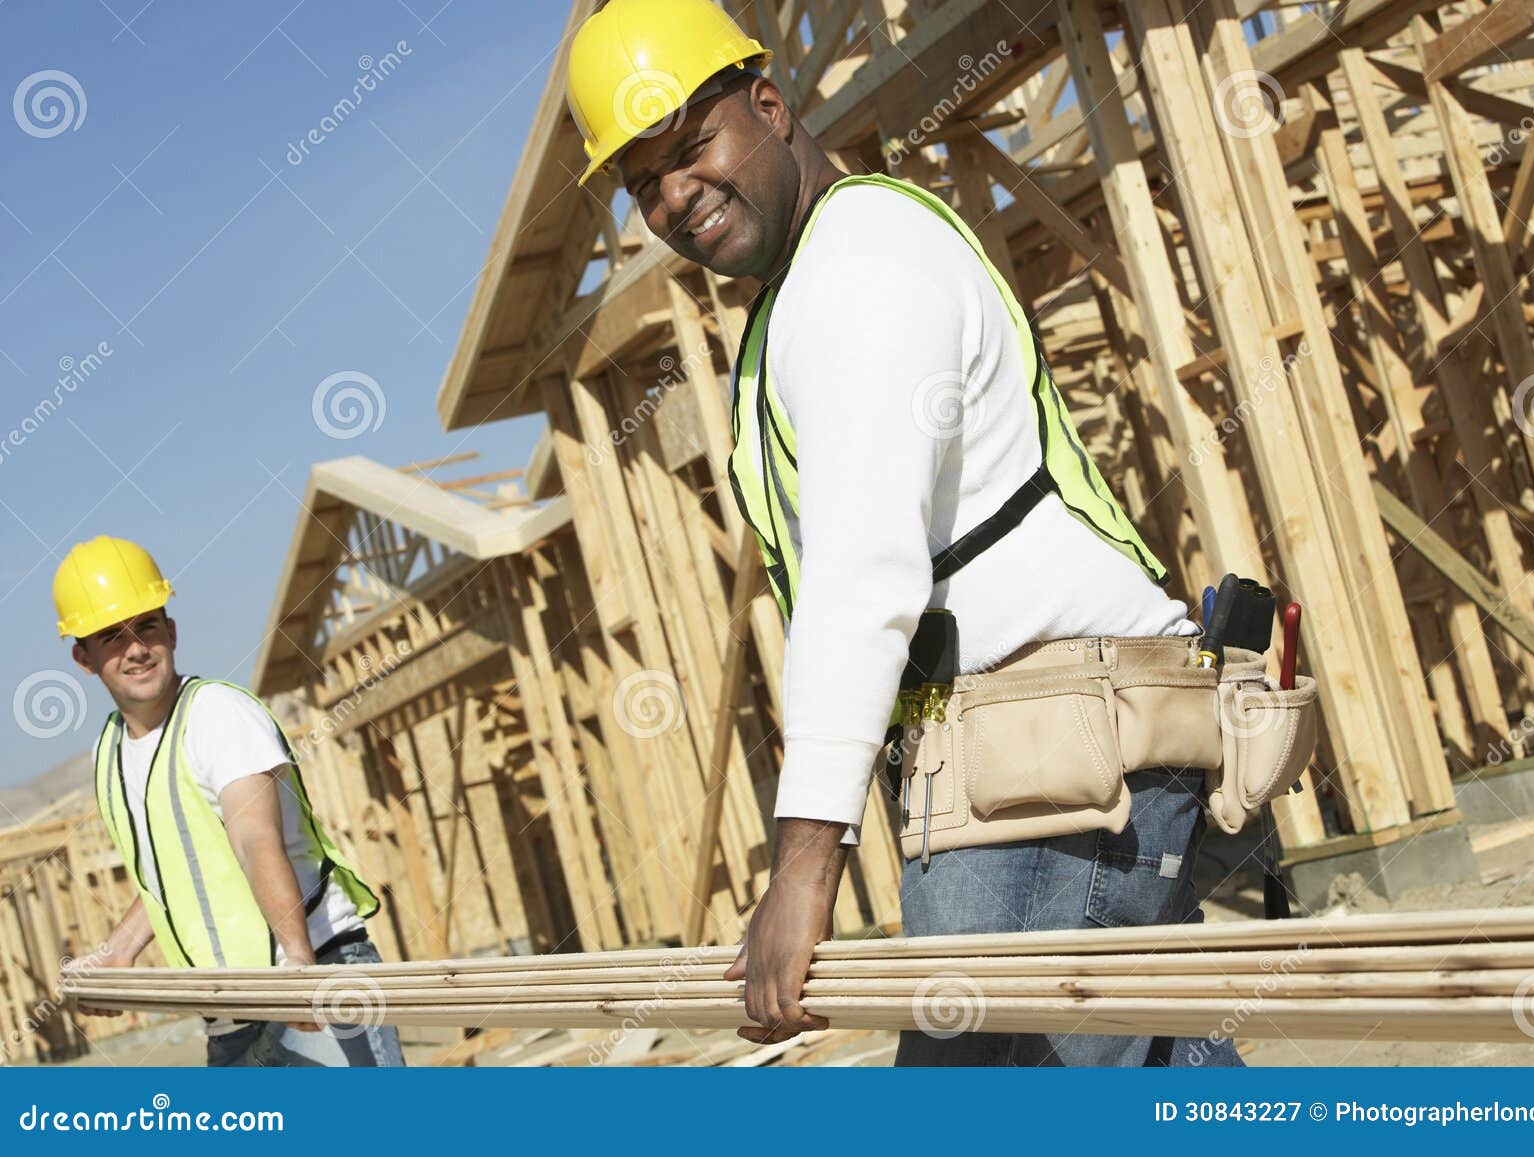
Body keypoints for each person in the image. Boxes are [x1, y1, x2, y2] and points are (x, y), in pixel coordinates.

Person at [565, 0, 1242, 1066]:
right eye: (643, 183)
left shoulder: (856, 267)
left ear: (772, 106)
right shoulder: (819, 276)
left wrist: (803, 868)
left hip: (1042, 751)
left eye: (692, 148)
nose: (675, 196)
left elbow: (863, 573)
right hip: (1044, 741)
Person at [55, 535, 404, 1067]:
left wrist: (299, 967)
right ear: (84, 658)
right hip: (231, 1007)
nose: (137, 648)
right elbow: (173, 870)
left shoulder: (216, 714)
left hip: (312, 974)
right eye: (112, 636)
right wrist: (118, 949)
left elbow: (255, 839)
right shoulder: (112, 750)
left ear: (170, 630)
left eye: (147, 625)